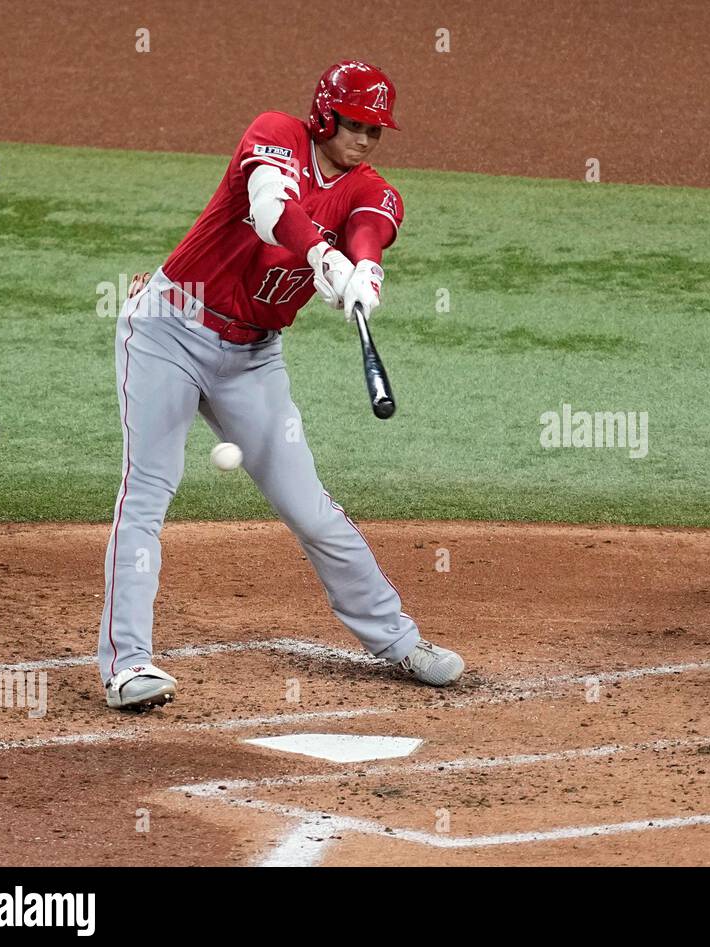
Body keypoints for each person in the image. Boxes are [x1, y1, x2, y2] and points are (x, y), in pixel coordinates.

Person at [98, 61, 463, 711]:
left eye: (376, 131)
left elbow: (371, 226)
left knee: (311, 508)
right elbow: (271, 209)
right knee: (148, 491)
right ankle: (127, 665)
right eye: (355, 125)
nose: (365, 140)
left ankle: (399, 642)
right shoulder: (275, 134)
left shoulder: (371, 188)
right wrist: (323, 258)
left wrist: (365, 276)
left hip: (253, 360)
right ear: (325, 116)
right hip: (167, 331)